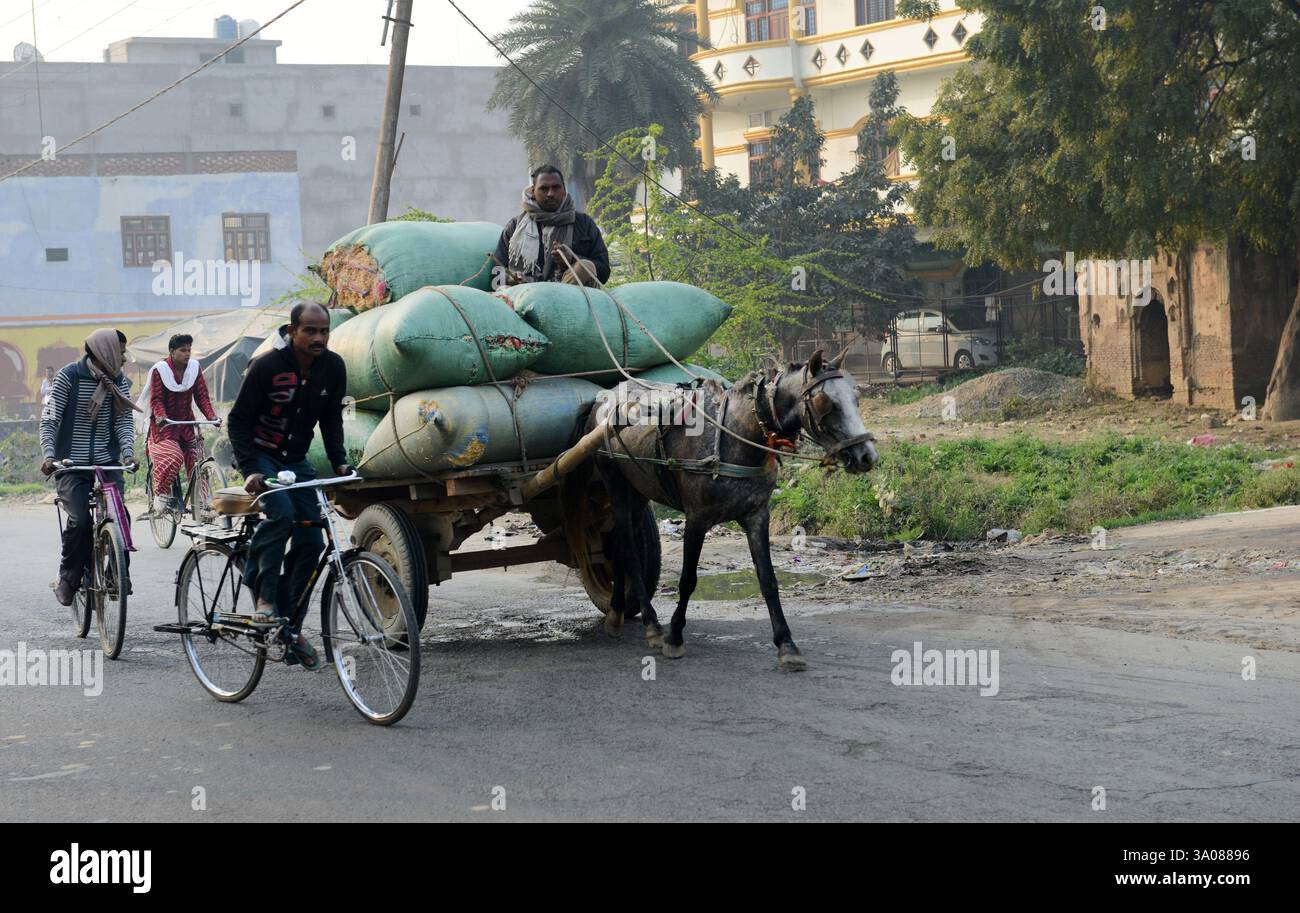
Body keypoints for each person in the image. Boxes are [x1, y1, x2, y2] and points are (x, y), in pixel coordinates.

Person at [227, 302, 349, 669]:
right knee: (280, 515)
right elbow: (238, 420)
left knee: (313, 536)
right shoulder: (267, 365)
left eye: (324, 330)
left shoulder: (333, 367)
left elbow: (331, 419)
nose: (318, 338)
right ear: (292, 331)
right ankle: (264, 598)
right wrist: (249, 468)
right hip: (262, 457)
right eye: (310, 331)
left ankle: (288, 625)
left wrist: (339, 459)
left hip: (296, 460)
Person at [39, 329, 141, 607]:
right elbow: (50, 419)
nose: (123, 358)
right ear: (104, 352)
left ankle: (116, 576)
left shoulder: (120, 381)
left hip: (107, 463)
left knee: (120, 517)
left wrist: (128, 453)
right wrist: (49, 455)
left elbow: (123, 421)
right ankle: (68, 579)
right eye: (120, 351)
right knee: (81, 520)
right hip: (71, 464)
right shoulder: (69, 376)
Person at [493, 164, 611, 287]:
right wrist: (512, 278)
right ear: (533, 192)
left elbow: (604, 272)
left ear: (564, 190)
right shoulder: (514, 226)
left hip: (571, 296)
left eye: (556, 188)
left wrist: (572, 259)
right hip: (527, 295)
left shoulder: (584, 223)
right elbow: (496, 273)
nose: (550, 194)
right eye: (544, 188)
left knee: (585, 266)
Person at [141, 334, 219, 514]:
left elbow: (202, 396)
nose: (187, 354)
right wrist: (161, 417)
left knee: (198, 458)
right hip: (164, 426)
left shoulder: (194, 368)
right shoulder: (160, 370)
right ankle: (160, 494)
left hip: (186, 423)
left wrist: (211, 416)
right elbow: (157, 400)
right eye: (183, 350)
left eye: (189, 350)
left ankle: (202, 499)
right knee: (174, 456)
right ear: (172, 352)